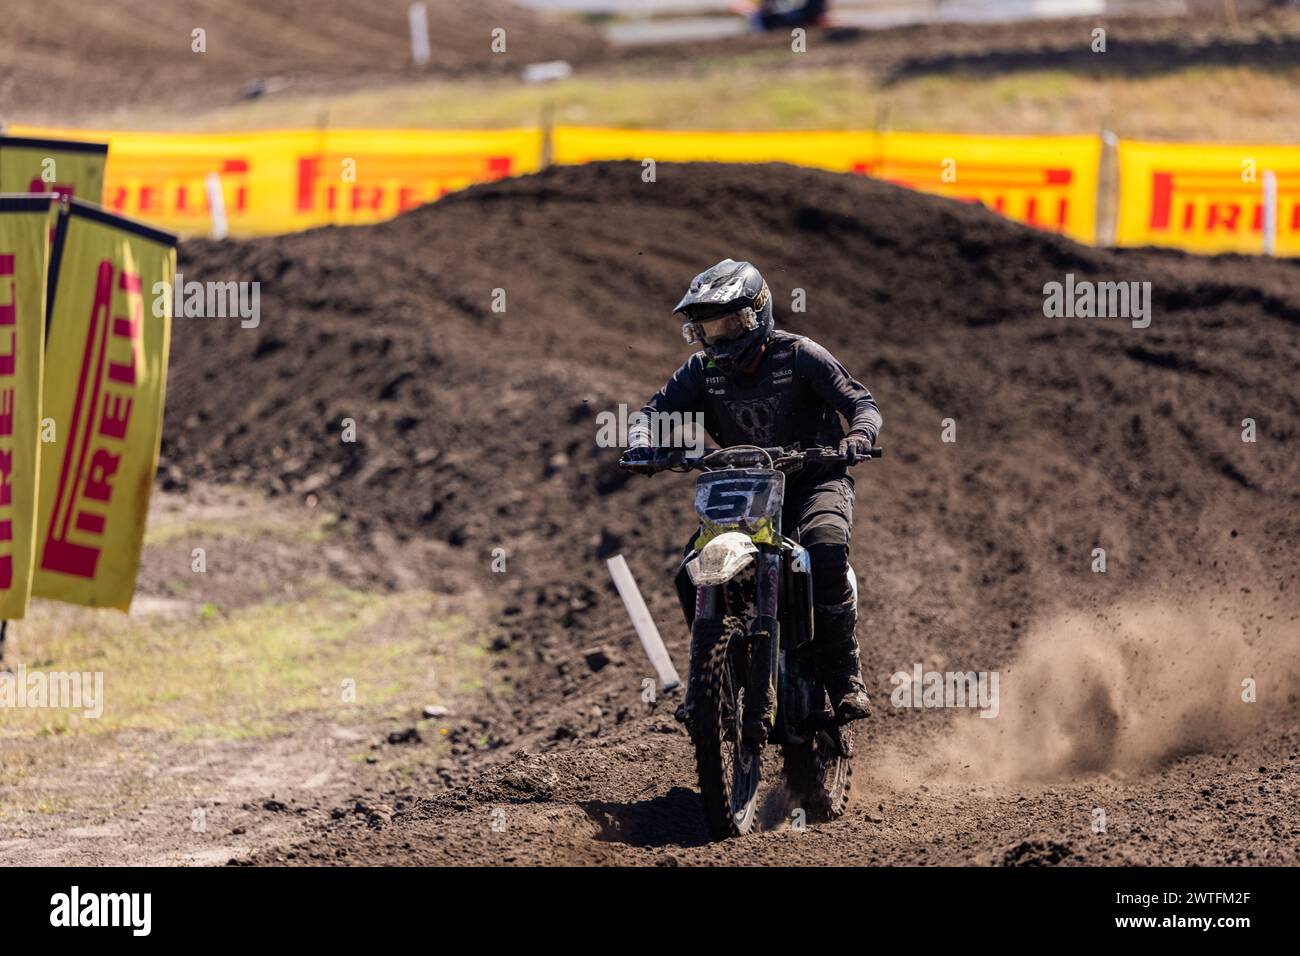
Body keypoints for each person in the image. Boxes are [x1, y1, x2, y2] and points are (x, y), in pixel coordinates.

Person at [620, 258, 881, 729]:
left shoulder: (800, 355)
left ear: (757, 312)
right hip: (745, 484)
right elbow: (650, 412)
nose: (718, 336)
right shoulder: (701, 371)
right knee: (690, 567)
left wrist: (858, 436)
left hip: (813, 477)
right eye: (708, 326)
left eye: (729, 322)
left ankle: (845, 677)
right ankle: (711, 682)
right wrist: (643, 445)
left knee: (824, 550)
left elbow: (859, 401)